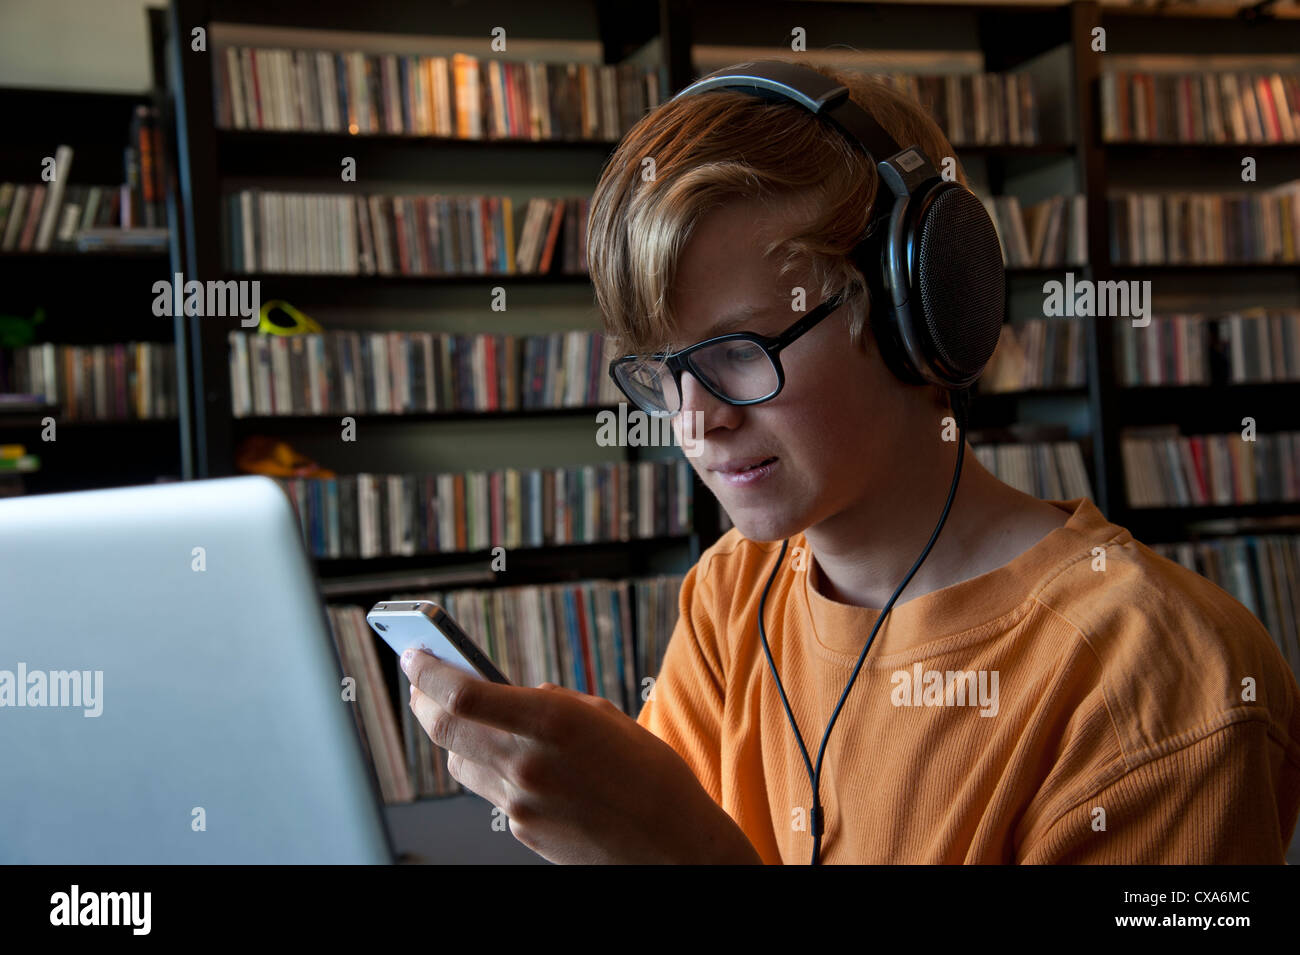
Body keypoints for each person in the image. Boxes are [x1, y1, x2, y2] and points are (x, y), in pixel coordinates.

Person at [402, 62, 1300, 864]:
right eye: (663, 371)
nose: (695, 420)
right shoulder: (730, 594)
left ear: (926, 306)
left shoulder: (1162, 694)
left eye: (741, 349)